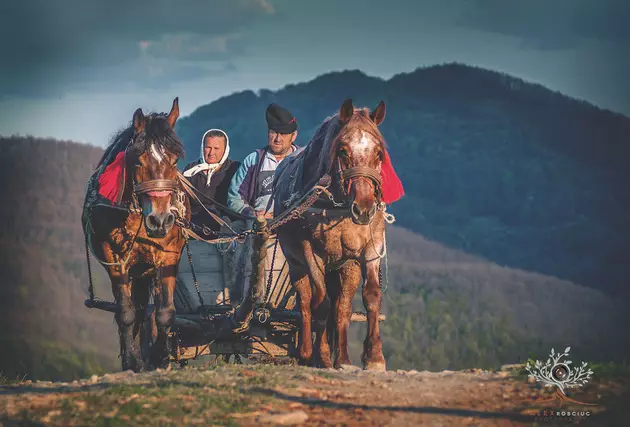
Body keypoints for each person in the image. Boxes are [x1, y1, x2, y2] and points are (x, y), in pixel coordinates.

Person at [227, 103, 300, 218]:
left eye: (283, 134)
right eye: (274, 132)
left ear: (294, 136)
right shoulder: (253, 160)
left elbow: (312, 196)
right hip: (258, 226)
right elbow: (234, 196)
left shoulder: (302, 160)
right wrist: (252, 213)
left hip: (293, 222)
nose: (277, 139)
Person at [183, 128, 240, 231]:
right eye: (208, 147)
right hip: (193, 228)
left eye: (216, 148)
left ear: (225, 149)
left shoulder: (235, 169)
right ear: (202, 147)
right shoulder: (190, 170)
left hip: (226, 229)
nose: (211, 153)